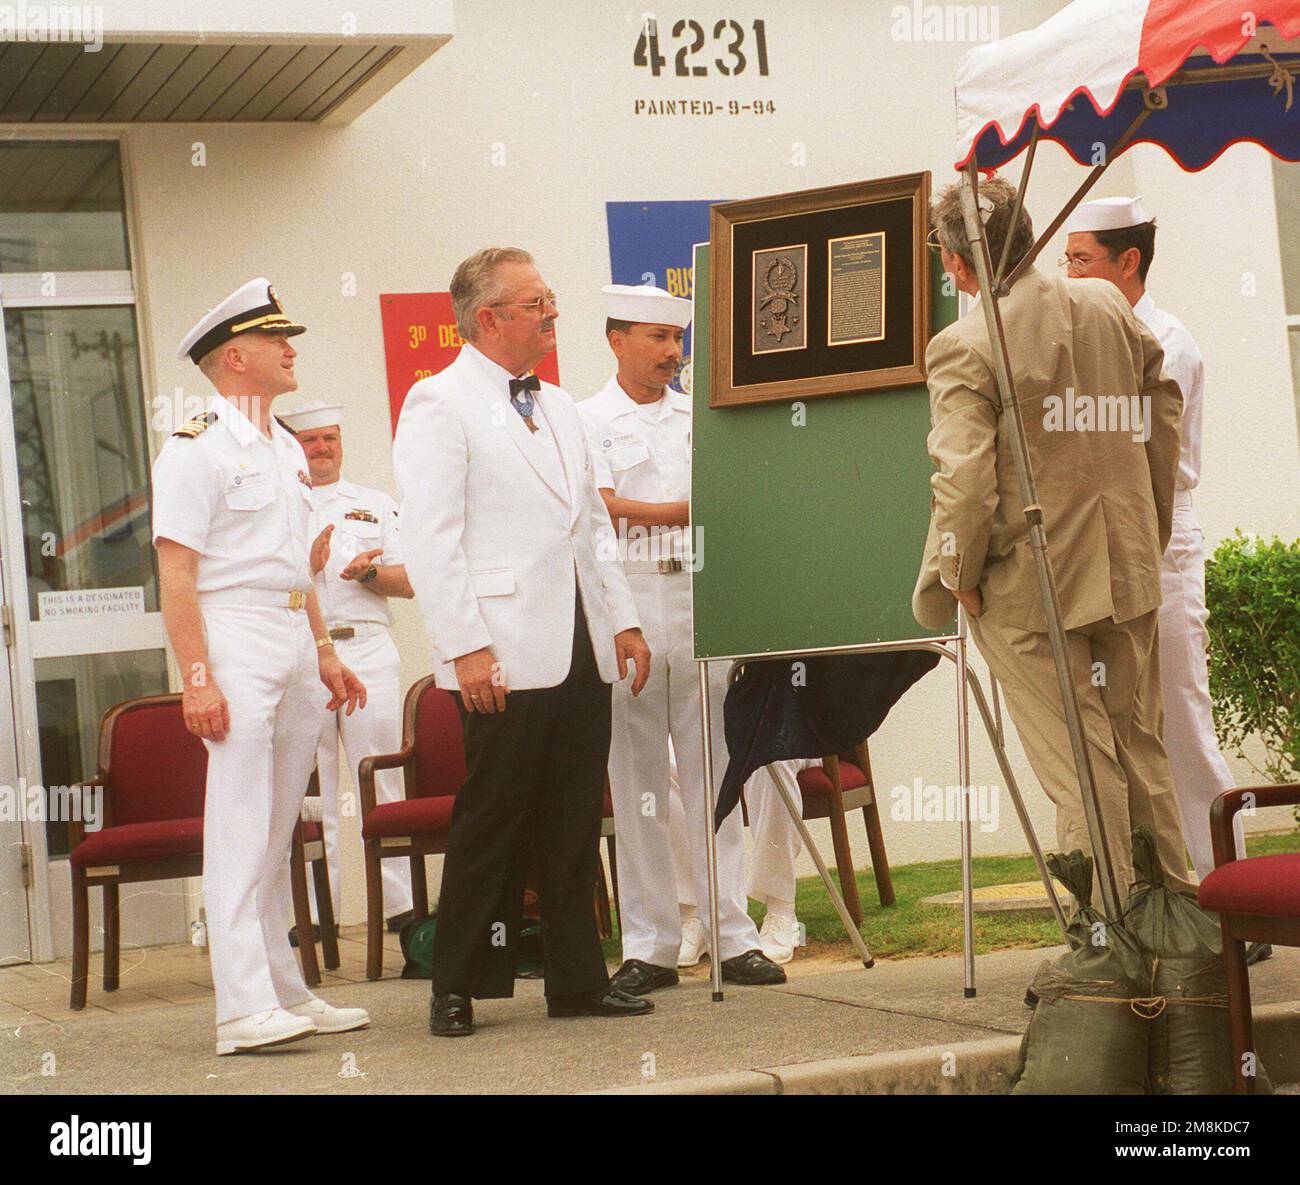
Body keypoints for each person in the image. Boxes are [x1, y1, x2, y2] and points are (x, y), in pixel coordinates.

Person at [393, 248, 654, 1037]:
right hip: (500, 649)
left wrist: (625, 618)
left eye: (550, 298)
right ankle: (456, 983)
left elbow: (593, 526)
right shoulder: (438, 402)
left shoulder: (563, 406)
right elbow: (432, 541)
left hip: (579, 641)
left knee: (574, 814)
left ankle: (577, 978)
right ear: (488, 318)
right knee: (492, 817)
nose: (551, 312)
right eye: (536, 301)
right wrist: (466, 646)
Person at [912, 180, 1195, 904]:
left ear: (959, 261)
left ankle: (1115, 935)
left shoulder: (964, 343)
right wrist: (1149, 518)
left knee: (1079, 758)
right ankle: (1179, 922)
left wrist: (958, 574)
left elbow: (965, 484)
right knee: (1138, 746)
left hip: (1027, 584)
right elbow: (1162, 406)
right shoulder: (1103, 300)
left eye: (945, 253)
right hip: (1122, 562)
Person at [152, 278, 370, 1055]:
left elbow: (297, 568)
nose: (292, 349)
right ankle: (239, 1008)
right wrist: (198, 675)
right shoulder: (195, 446)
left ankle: (284, 988)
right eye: (278, 340)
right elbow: (176, 571)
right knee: (240, 826)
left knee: (279, 829)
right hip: (233, 633)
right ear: (235, 358)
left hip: (288, 631)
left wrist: (325, 650)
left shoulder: (282, 446)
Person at [578, 283, 786, 993]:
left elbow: (736, 498)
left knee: (715, 770)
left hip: (698, 598)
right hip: (627, 601)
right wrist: (684, 510)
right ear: (615, 340)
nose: (671, 353)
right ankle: (651, 944)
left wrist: (663, 515)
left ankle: (732, 934)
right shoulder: (584, 421)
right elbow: (598, 512)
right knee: (635, 779)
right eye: (655, 338)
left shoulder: (702, 416)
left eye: (677, 340)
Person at [1061, 196, 1242, 879]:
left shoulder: (1168, 340)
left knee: (1180, 716)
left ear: (1127, 261)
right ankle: (1158, 890)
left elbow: (1141, 459)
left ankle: (1229, 889)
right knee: (1123, 718)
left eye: (1082, 259)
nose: (1070, 274)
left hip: (1160, 537)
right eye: (1067, 259)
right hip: (1104, 540)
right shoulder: (1086, 333)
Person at [278, 400, 416, 939]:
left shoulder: (373, 503)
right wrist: (306, 568)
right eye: (311, 440)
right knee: (314, 791)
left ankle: (400, 910)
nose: (323, 448)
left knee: (381, 778)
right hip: (308, 653)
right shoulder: (282, 504)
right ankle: (318, 918)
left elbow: (408, 581)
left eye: (330, 438)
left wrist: (369, 572)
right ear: (296, 446)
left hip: (368, 650)